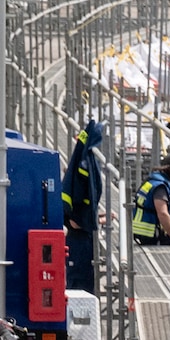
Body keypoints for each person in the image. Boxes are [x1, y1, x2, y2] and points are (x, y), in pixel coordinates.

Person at [61, 119, 101, 291]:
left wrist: (96, 218)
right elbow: (76, 215)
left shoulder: (82, 161)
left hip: (82, 235)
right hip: (79, 238)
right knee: (80, 284)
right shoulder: (85, 165)